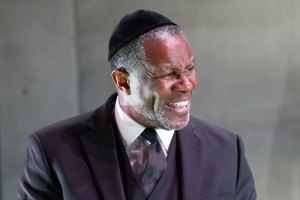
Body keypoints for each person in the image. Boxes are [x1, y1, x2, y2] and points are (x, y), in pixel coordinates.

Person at [17, 9, 256, 200]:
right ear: (123, 81)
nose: (187, 84)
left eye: (190, 69)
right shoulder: (52, 151)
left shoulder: (227, 150)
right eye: (168, 73)